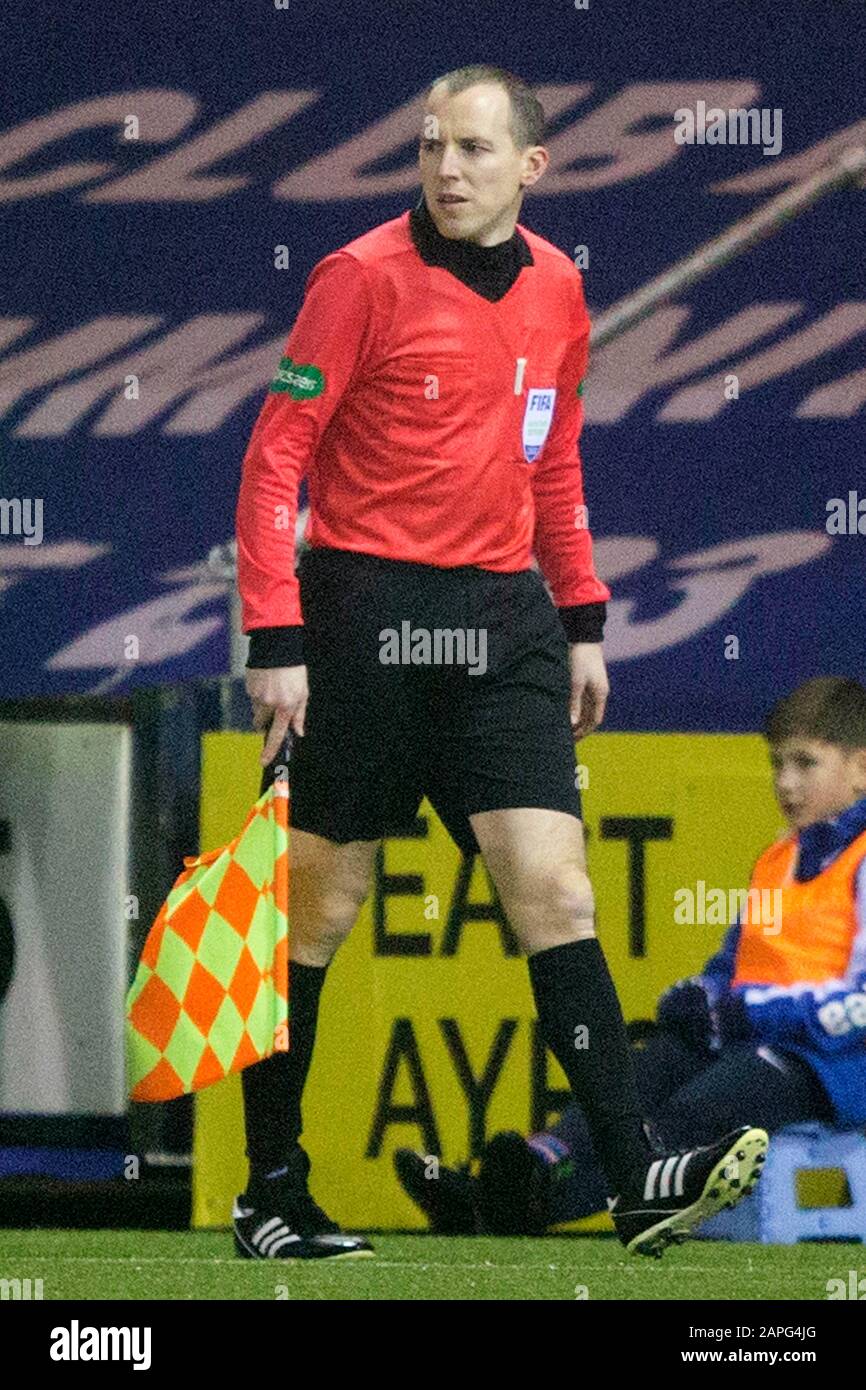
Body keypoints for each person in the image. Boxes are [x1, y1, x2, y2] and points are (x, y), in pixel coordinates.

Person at [232, 63, 766, 1262]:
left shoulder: (561, 291)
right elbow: (275, 462)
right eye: (430, 146)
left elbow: (552, 461)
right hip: (360, 612)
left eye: (473, 150)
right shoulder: (356, 278)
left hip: (502, 619)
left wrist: (579, 614)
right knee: (319, 908)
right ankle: (272, 1188)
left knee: (556, 892)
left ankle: (632, 1181)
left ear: (531, 167)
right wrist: (275, 637)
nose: (446, 169)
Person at [395, 676, 866, 1235]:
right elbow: (734, 965)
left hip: (834, 1063)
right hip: (760, 1038)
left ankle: (511, 1207)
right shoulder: (780, 856)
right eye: (776, 764)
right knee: (636, 1073)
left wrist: (747, 1012)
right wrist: (702, 998)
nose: (785, 783)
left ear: (861, 767)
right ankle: (529, 1172)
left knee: (692, 1112)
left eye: (805, 764)